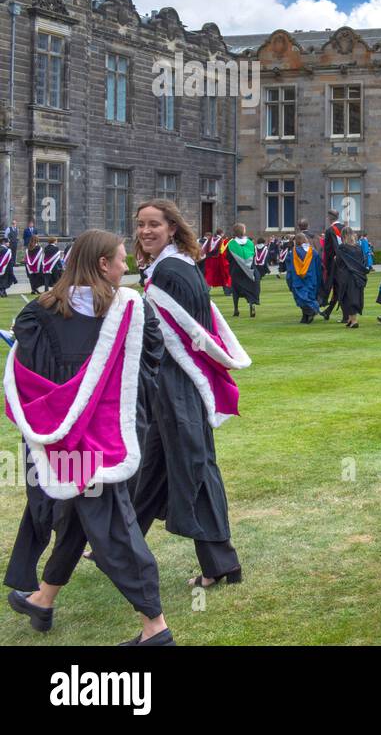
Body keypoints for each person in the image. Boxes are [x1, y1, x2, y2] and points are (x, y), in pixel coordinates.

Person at [3, 230, 175, 644]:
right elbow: (148, 369)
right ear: (102, 264)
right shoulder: (132, 312)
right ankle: (43, 600)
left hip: (65, 442)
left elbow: (36, 386)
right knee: (80, 517)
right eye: (119, 259)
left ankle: (156, 629)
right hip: (111, 438)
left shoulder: (37, 315)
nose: (125, 266)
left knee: (110, 523)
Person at [132, 200, 249, 590]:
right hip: (176, 381)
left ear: (171, 228)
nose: (145, 231)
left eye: (154, 225)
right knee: (153, 468)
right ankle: (118, 544)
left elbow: (168, 336)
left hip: (176, 382)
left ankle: (220, 564)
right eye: (141, 225)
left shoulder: (168, 271)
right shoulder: (178, 265)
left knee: (193, 467)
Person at [332, 228, 370, 329]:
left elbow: (339, 262)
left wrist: (336, 259)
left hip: (347, 276)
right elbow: (363, 261)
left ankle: (354, 321)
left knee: (348, 297)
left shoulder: (342, 248)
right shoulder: (358, 247)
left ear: (343, 236)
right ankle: (350, 319)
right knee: (355, 296)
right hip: (358, 275)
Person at [285, 232, 324, 323]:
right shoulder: (313, 252)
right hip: (311, 279)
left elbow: (289, 269)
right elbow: (318, 268)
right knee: (309, 297)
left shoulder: (292, 253)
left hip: (297, 280)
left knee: (301, 298)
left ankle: (311, 312)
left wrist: (289, 280)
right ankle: (306, 316)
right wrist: (319, 279)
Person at [224, 224, 260, 319]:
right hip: (250, 270)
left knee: (235, 290)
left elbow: (227, 257)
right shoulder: (250, 243)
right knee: (251, 287)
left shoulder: (231, 244)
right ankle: (251, 303)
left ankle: (236, 309)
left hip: (236, 270)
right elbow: (254, 255)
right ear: (243, 231)